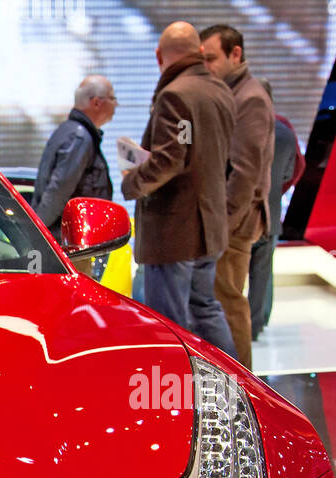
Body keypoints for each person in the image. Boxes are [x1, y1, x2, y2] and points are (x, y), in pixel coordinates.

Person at [121, 22, 236, 360]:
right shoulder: (219, 90)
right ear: (199, 51)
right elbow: (193, 151)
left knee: (170, 323)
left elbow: (173, 159)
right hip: (208, 227)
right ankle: (240, 384)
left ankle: (178, 402)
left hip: (175, 230)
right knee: (205, 309)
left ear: (159, 56)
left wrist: (131, 180)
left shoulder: (176, 97)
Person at [201, 24, 273, 371]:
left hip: (236, 222)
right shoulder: (232, 93)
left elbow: (245, 172)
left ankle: (245, 386)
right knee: (222, 301)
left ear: (236, 54)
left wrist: (223, 225)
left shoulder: (250, 97)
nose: (206, 66)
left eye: (212, 58)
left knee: (228, 302)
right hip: (229, 219)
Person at [32, 75, 116, 245]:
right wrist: (38, 233)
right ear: (97, 102)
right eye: (112, 98)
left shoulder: (69, 131)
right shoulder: (79, 137)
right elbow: (58, 190)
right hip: (69, 246)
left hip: (66, 241)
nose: (116, 105)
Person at [249, 76, 303, 339]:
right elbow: (292, 171)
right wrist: (275, 193)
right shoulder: (285, 131)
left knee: (230, 278)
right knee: (262, 273)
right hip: (271, 213)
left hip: (241, 216)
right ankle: (256, 325)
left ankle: (235, 328)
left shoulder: (242, 128)